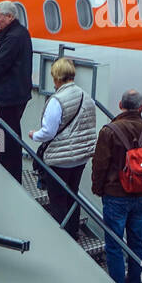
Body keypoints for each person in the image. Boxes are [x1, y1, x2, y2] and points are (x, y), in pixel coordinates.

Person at [90, 89, 142, 283]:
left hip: (115, 195)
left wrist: (98, 188)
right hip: (141, 196)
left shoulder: (109, 131)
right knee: (136, 244)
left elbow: (100, 164)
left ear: (121, 105)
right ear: (141, 108)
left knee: (114, 244)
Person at [28, 58, 97, 239]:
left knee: (57, 199)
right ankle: (73, 232)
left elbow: (49, 132)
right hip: (81, 157)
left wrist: (34, 135)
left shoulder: (56, 100)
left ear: (57, 77)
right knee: (72, 195)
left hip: (60, 159)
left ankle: (61, 238)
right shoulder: (86, 96)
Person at [0, 1, 33, 182]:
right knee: (6, 131)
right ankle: (5, 166)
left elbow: (1, 61)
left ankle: (5, 169)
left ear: (10, 17)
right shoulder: (19, 34)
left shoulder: (13, 37)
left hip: (11, 95)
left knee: (2, 132)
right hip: (17, 94)